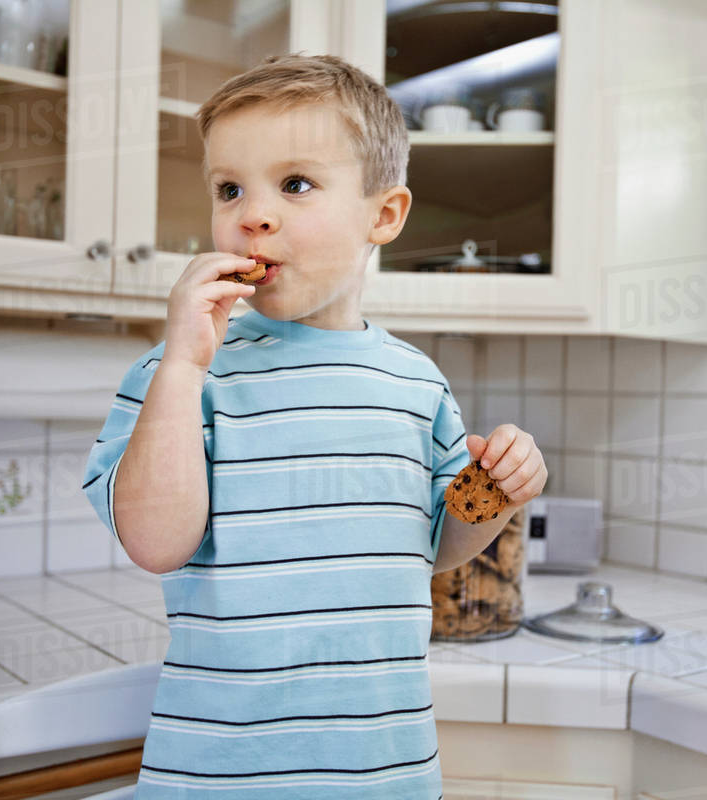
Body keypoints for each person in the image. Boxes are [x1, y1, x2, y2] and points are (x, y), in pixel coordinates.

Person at [82, 53, 547, 798]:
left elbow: (437, 550)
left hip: (383, 778)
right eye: (229, 188)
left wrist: (496, 491)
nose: (251, 213)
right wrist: (181, 368)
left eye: (295, 184)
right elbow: (156, 543)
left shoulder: (415, 385)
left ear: (383, 215)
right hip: (218, 781)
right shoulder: (181, 376)